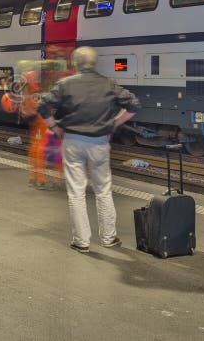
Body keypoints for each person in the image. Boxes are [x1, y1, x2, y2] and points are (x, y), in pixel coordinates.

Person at [37, 47, 140, 254]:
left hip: (73, 142)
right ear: (94, 64)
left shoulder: (65, 84)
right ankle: (109, 238)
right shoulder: (107, 83)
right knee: (103, 190)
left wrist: (55, 127)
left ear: (75, 63)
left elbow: (42, 106)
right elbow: (134, 105)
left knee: (76, 192)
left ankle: (81, 241)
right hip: (100, 142)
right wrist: (114, 123)